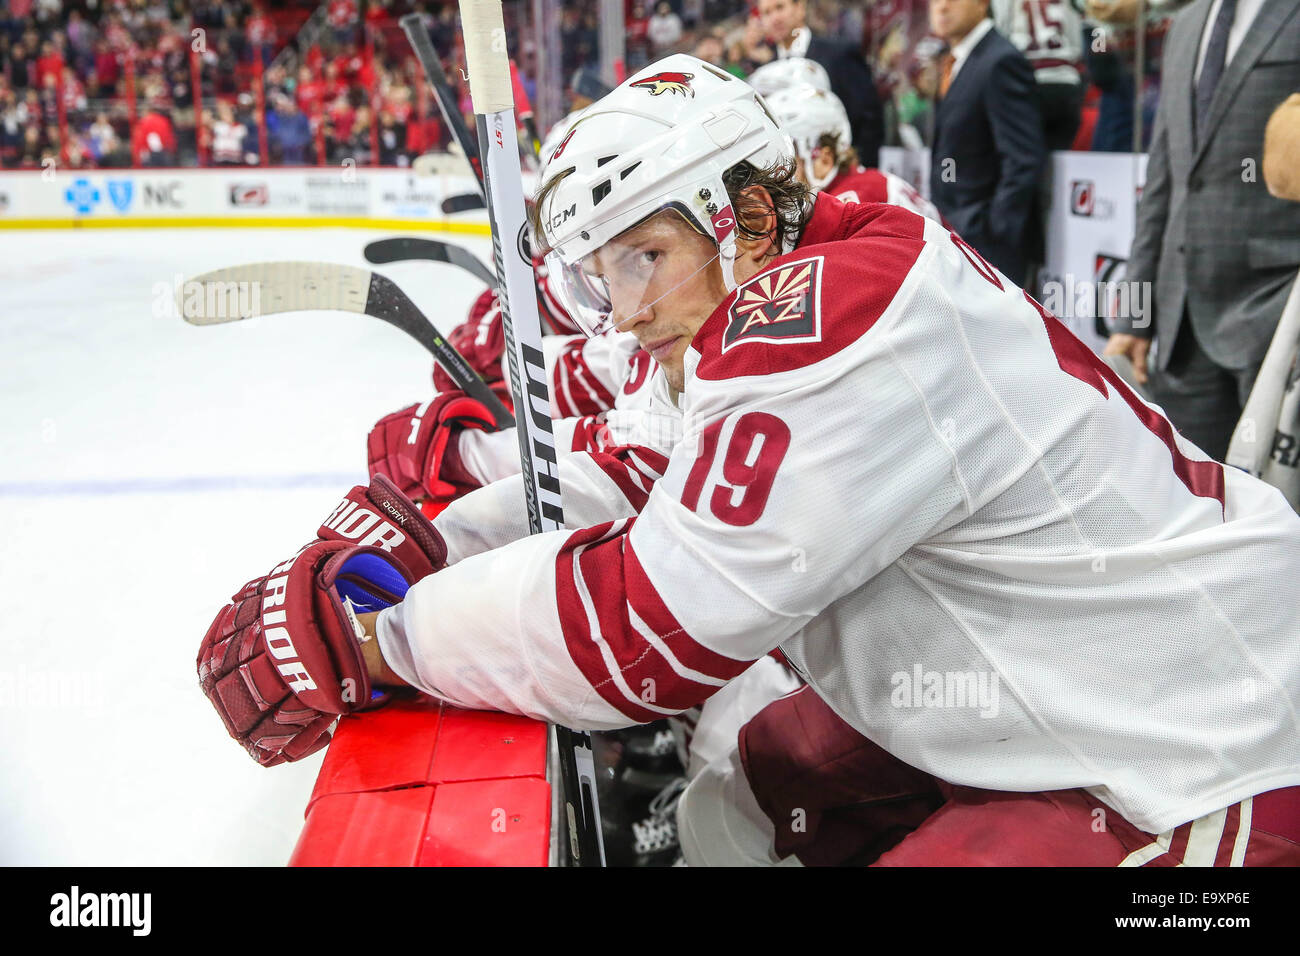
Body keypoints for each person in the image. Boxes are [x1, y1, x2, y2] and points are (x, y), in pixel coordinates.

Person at [198, 55, 1300, 866]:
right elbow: (645, 473)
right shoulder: (820, 267)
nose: (623, 318)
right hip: (1069, 689)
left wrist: (377, 638)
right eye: (603, 275)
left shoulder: (831, 311)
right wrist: (433, 536)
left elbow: (647, 625)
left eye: (646, 257)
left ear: (753, 213)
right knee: (752, 794)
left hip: (1211, 751)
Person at [1105, 0, 1300, 462]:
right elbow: (1163, 179)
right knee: (1199, 507)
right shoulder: (1187, 24)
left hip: (1279, 315)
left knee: (1282, 514)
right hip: (1182, 329)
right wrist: (1136, 314)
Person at [929, 0, 1045, 286]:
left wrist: (994, 229)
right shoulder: (955, 59)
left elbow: (1023, 158)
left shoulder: (1000, 61)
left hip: (989, 247)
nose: (941, 7)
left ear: (982, 4)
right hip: (956, 237)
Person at [764, 82, 943, 222]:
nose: (778, 172)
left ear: (824, 160)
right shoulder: (868, 181)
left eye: (787, 158)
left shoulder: (848, 204)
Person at [755, 0, 884, 167]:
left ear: (800, 8)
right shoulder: (766, 74)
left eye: (780, 7)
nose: (774, 18)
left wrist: (859, 169)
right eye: (767, 13)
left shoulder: (839, 54)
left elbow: (870, 117)